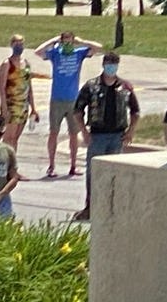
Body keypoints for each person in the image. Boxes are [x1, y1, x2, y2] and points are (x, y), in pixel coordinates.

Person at [72, 51, 140, 222]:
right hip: (97, 136)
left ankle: (112, 208)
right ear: (103, 65)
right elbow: (78, 111)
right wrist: (84, 132)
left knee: (114, 173)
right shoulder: (91, 86)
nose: (111, 67)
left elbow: (135, 111)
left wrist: (131, 131)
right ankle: (90, 207)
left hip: (117, 136)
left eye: (114, 64)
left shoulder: (125, 87)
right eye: (109, 63)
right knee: (93, 173)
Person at [37, 29, 100, 179]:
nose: (67, 44)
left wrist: (81, 41)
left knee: (73, 134)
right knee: (54, 132)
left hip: (73, 99)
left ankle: (73, 165)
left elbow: (98, 48)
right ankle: (51, 166)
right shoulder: (56, 54)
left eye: (70, 41)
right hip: (57, 99)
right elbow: (38, 52)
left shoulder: (78, 53)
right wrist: (53, 41)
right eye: (65, 41)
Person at [0, 34, 35, 151]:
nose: (19, 46)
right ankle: (4, 159)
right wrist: (4, 108)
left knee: (15, 138)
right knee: (8, 138)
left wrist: (33, 108)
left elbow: (29, 86)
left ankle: (12, 160)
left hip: (23, 106)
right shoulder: (7, 64)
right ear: (11, 45)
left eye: (21, 43)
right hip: (11, 105)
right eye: (16, 43)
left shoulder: (26, 63)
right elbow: (2, 87)